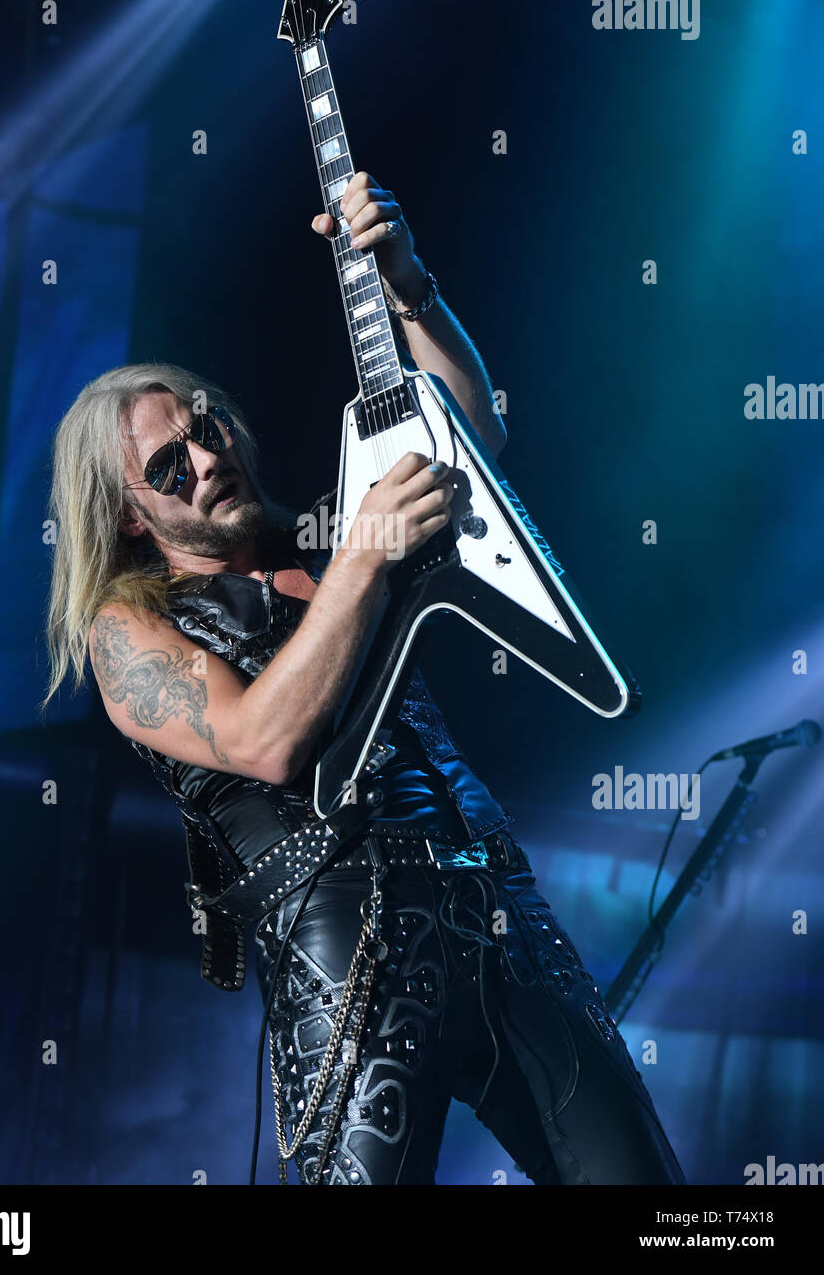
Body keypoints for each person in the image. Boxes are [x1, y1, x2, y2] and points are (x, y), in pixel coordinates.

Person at [44, 172, 686, 1186]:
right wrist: (362, 564)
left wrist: (408, 283)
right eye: (169, 468)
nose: (208, 461)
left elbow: (469, 445)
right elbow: (261, 740)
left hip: (499, 904)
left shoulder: (326, 529)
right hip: (350, 957)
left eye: (206, 428)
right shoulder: (129, 628)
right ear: (131, 517)